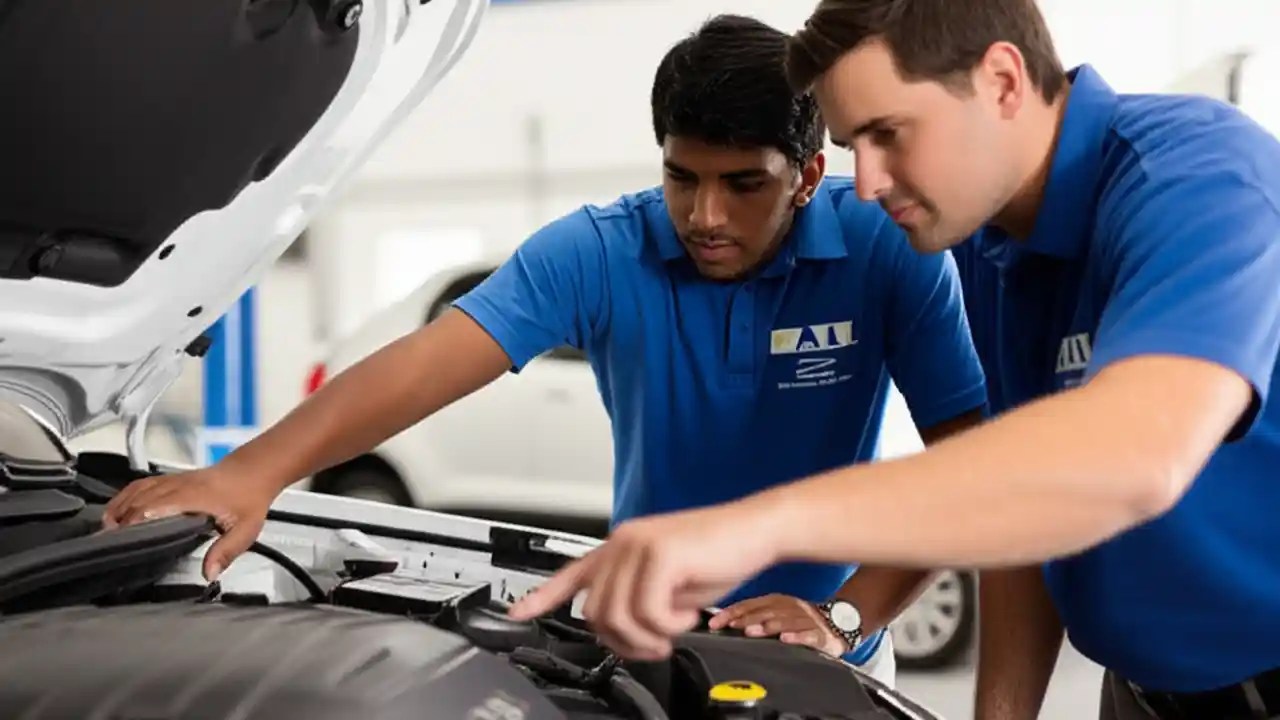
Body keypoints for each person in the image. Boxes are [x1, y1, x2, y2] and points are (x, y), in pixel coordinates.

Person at [103, 14, 989, 685]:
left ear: (806, 176)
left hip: (831, 651)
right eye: (682, 179)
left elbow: (969, 462)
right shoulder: (602, 251)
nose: (705, 218)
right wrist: (254, 473)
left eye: (742, 185)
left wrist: (839, 618)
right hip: (655, 641)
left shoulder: (886, 248)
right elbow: (427, 363)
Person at [507, 1, 1280, 718]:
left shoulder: (1199, 176)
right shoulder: (991, 245)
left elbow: (1136, 456)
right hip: (1143, 696)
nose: (866, 185)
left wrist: (752, 529)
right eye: (851, 147)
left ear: (1003, 81)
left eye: (888, 135)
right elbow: (1017, 508)